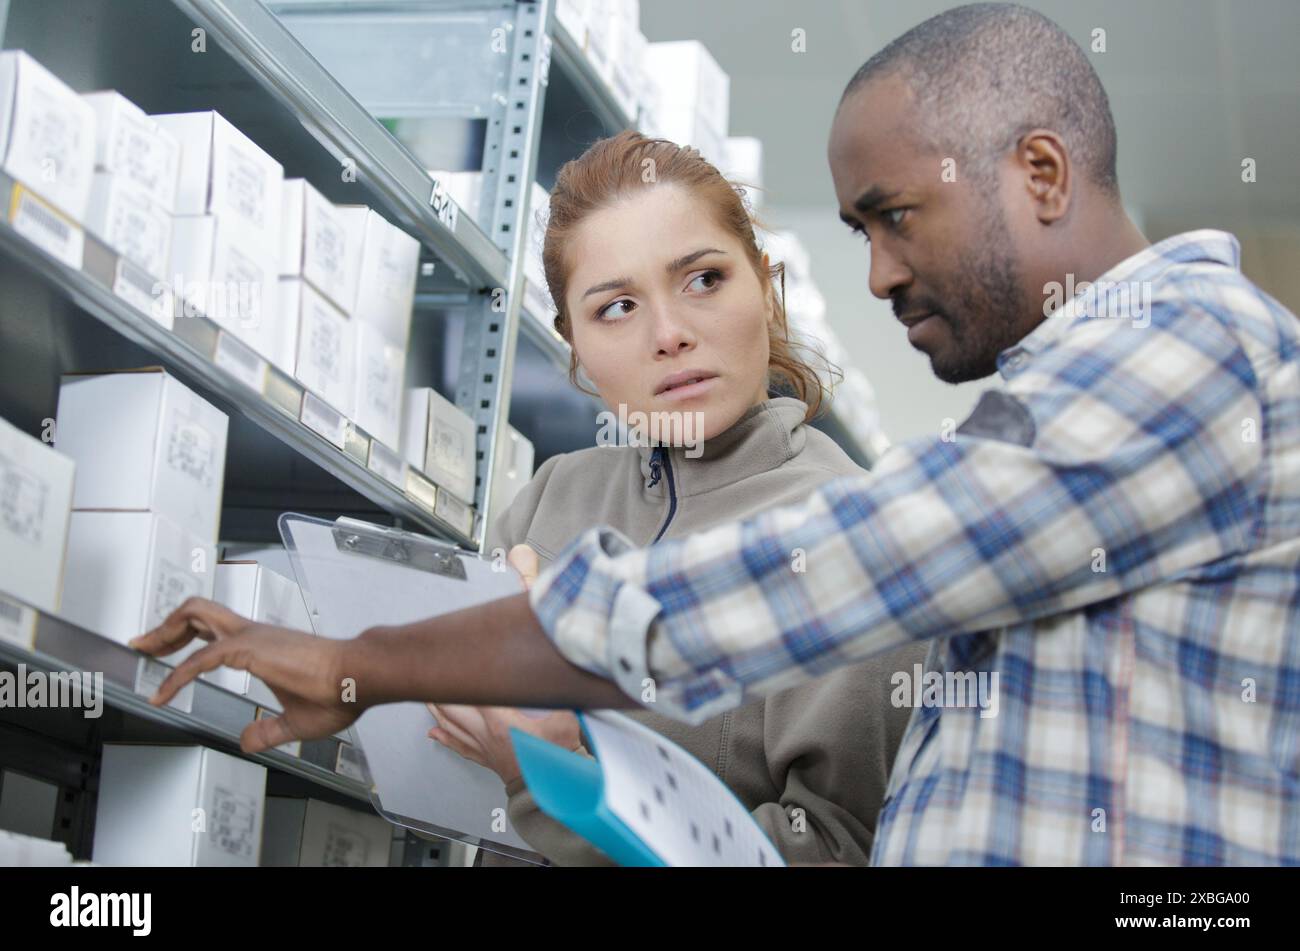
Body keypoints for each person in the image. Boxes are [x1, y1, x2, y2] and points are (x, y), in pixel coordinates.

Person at [132, 3, 1300, 866]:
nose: (884, 272)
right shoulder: (1087, 389)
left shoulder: (1184, 355)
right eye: (615, 305)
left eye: (894, 217)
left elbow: (814, 578)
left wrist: (381, 666)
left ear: (1039, 170)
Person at [426, 131, 922, 866]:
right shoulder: (552, 499)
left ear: (765, 285)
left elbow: (833, 849)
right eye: (617, 307)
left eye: (703, 280)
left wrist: (566, 776)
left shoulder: (856, 537)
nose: (669, 335)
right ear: (576, 346)